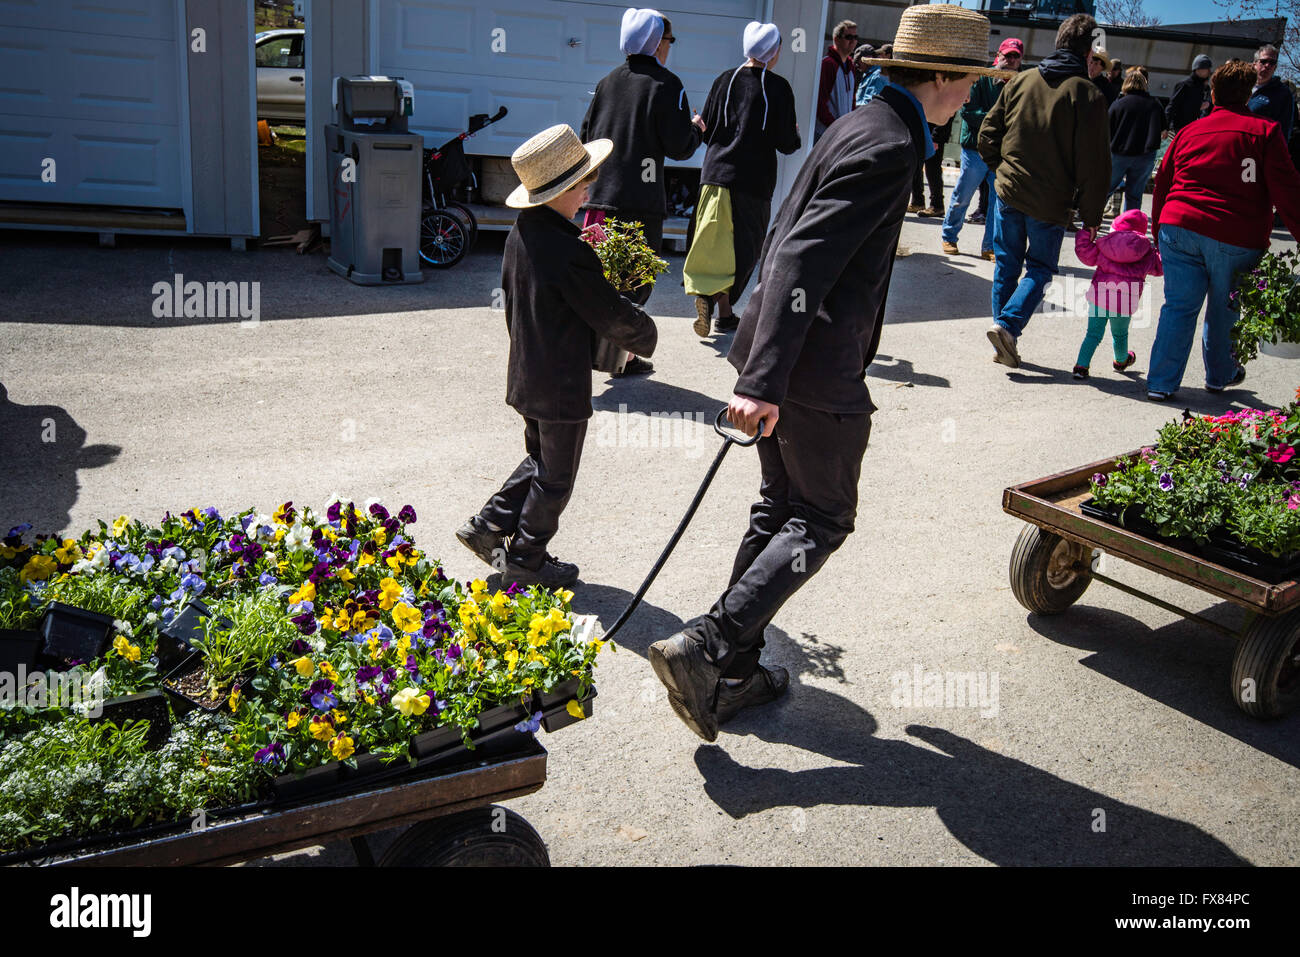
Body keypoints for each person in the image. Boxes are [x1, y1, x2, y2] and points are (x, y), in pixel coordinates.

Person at [646, 4, 1000, 742]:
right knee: (823, 516)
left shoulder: (862, 122)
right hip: (811, 371)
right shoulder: (890, 141)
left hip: (784, 356)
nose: (970, 97)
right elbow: (805, 253)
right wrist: (764, 379)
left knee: (780, 510)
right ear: (938, 74)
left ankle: (734, 672)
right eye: (966, 81)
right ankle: (710, 643)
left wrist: (757, 359)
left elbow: (785, 234)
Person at [455, 125, 658, 587]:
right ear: (560, 190)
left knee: (539, 458)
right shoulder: (567, 250)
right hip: (559, 380)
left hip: (527, 373)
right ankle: (527, 557)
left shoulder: (522, 233)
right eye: (583, 182)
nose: (589, 188)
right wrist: (644, 332)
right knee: (556, 476)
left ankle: (487, 526)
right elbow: (606, 312)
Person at [1146, 59, 1300, 401]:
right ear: (1248, 94)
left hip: (1179, 225)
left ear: (1213, 92)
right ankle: (1219, 375)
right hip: (1237, 233)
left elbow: (1162, 185)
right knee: (1224, 309)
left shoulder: (1189, 132)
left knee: (1178, 307)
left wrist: (1159, 232)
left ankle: (1160, 382)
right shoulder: (1265, 132)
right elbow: (1287, 190)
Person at [979, 13, 1110, 368]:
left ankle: (1002, 337)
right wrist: (1092, 215)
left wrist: (1001, 172)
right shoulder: (1089, 95)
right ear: (1088, 53)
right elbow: (1095, 165)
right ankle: (1006, 328)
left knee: (1006, 265)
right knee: (1038, 269)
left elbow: (987, 135)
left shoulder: (1021, 81)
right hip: (1050, 202)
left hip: (1008, 192)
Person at [580, 7, 703, 375]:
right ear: (655, 42)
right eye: (669, 39)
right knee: (633, 283)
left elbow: (587, 137)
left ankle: (610, 354)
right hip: (639, 204)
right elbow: (680, 146)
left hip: (600, 199)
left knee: (597, 278)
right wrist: (697, 127)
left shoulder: (606, 83)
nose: (670, 47)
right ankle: (617, 357)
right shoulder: (667, 85)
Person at [685, 22, 800, 337]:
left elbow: (707, 129)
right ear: (773, 52)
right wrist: (796, 132)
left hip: (714, 176)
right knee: (744, 251)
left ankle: (718, 309)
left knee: (712, 244)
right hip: (753, 182)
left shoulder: (724, 79)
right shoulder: (778, 88)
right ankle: (716, 304)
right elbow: (787, 143)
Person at [941, 37, 1022, 257]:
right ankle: (949, 236)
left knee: (998, 204)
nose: (1011, 60)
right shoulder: (982, 78)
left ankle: (989, 247)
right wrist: (1000, 120)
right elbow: (968, 112)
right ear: (999, 55)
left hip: (1003, 153)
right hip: (975, 149)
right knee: (963, 195)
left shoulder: (1022, 82)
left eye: (1016, 56)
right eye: (1008, 55)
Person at [1071, 208, 1162, 379]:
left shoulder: (1105, 244)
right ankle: (1121, 360)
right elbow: (1160, 266)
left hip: (1099, 299)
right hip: (1124, 303)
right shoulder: (1145, 251)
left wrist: (1086, 233)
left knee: (1093, 335)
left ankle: (1081, 366)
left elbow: (1085, 254)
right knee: (1120, 334)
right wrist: (1162, 245)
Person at [1106, 67, 1167, 213]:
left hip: (1119, 153)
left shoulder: (1119, 104)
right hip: (1145, 155)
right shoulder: (1154, 104)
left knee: (1105, 190)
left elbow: (1107, 130)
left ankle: (1090, 226)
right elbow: (1163, 130)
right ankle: (1129, 228)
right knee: (1134, 195)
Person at [815, 20, 858, 142]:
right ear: (836, 39)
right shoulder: (828, 64)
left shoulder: (851, 66)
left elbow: (852, 101)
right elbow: (820, 103)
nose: (853, 41)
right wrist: (836, 127)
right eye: (849, 37)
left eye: (855, 37)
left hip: (841, 134)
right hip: (825, 134)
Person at [1249, 44, 1295, 143]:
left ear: (1275, 67)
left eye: (1272, 63)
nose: (1267, 66)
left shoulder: (1283, 94)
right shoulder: (1241, 85)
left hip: (1259, 151)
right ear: (1254, 64)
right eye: (1264, 61)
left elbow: (1284, 130)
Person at [913, 115, 952, 216]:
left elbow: (945, 115)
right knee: (916, 165)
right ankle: (917, 201)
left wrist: (936, 137)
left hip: (933, 133)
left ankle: (937, 205)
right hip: (921, 130)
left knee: (932, 169)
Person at [1167, 54, 1213, 133]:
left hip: (1197, 129)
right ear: (1198, 69)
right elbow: (1172, 106)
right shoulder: (1184, 85)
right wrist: (1165, 127)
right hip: (1179, 128)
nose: (1209, 71)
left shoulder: (1206, 88)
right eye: (1207, 68)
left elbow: (1209, 108)